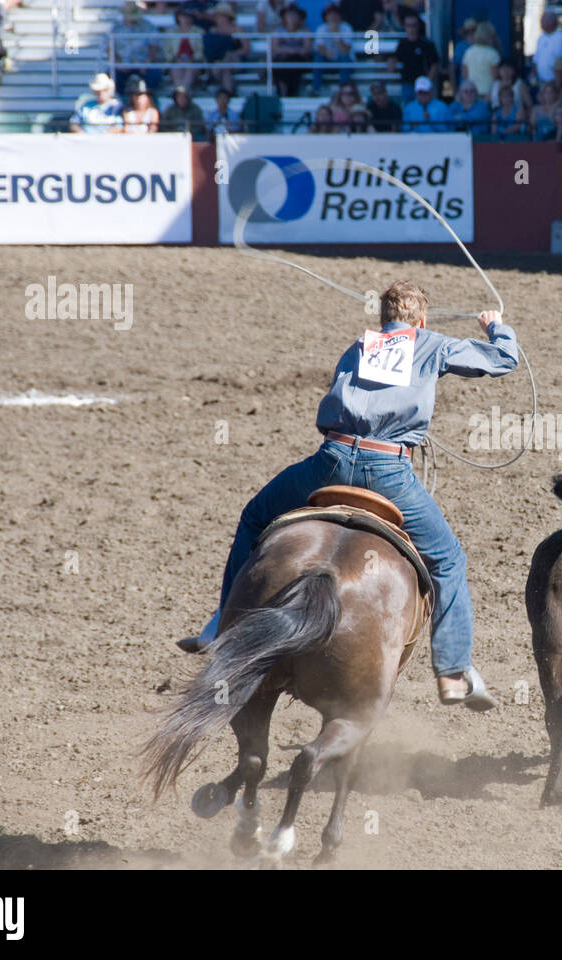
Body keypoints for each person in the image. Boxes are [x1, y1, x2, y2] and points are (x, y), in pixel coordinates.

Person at [181, 282, 518, 712]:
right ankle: (453, 672)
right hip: (389, 470)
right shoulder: (431, 343)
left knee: (255, 516)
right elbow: (502, 361)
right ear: (423, 320)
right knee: (448, 559)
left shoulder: (362, 345)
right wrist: (497, 328)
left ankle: (223, 626)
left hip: (331, 459)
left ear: (383, 318)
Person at [113, 3, 162, 93]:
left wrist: (147, 63)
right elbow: (109, 48)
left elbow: (154, 46)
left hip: (143, 64)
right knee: (113, 77)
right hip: (123, 65)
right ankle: (122, 101)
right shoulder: (115, 28)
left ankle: (148, 99)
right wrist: (118, 64)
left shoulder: (148, 26)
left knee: (155, 75)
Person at [390, 13, 438, 102]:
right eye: (408, 25)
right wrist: (392, 65)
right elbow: (394, 60)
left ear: (418, 26)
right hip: (407, 84)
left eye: (414, 25)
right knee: (409, 110)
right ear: (405, 27)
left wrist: (427, 81)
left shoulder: (427, 44)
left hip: (422, 85)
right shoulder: (402, 44)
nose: (411, 29)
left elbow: (434, 64)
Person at [204, 3, 250, 94]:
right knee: (226, 71)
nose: (217, 18)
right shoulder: (213, 31)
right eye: (216, 16)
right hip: (220, 62)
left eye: (219, 16)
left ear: (227, 17)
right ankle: (228, 94)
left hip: (236, 60)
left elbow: (247, 48)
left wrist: (232, 53)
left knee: (226, 61)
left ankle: (222, 93)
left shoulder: (238, 29)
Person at [271, 4, 313, 96]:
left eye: (294, 15)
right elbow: (275, 48)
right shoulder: (278, 31)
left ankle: (291, 92)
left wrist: (290, 51)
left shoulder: (305, 31)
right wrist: (292, 50)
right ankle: (283, 91)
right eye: (289, 15)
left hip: (299, 60)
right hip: (282, 60)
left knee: (293, 62)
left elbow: (306, 49)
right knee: (280, 64)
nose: (292, 18)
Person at [165, 8, 204, 90]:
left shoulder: (199, 31)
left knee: (190, 68)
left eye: (188, 16)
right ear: (178, 17)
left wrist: (193, 58)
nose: (185, 19)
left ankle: (183, 93)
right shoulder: (171, 32)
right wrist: (175, 58)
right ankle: (180, 92)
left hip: (193, 62)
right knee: (176, 68)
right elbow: (167, 50)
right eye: (183, 16)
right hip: (176, 61)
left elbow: (201, 50)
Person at [533, 9, 562, 84]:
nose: (541, 23)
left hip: (556, 84)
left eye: (544, 20)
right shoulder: (541, 38)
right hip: (541, 81)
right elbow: (536, 60)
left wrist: (560, 79)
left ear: (553, 22)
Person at [460, 20, 498, 96]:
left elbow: (464, 74)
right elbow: (495, 76)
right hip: (488, 93)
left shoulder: (468, 52)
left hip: (471, 93)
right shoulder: (493, 53)